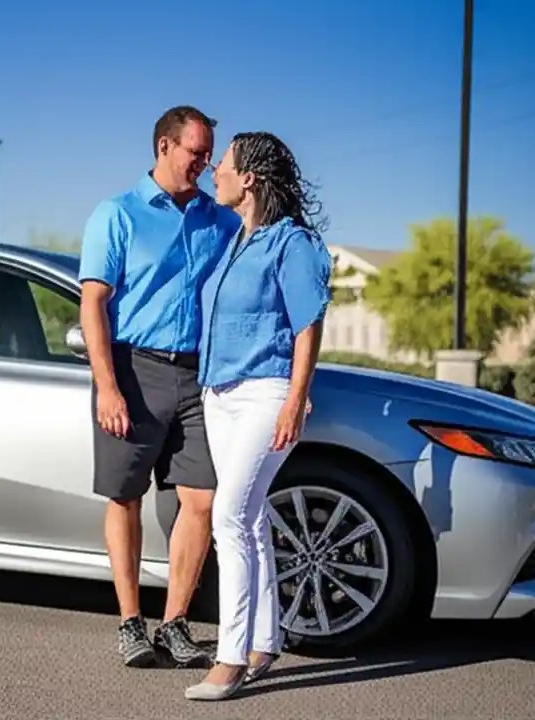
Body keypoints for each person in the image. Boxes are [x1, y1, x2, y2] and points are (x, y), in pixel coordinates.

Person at [78, 105, 242, 669]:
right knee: (125, 496)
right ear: (164, 146)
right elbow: (94, 303)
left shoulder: (218, 219)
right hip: (133, 367)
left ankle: (175, 625)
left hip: (199, 374)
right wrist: (108, 387)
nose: (204, 162)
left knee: (200, 497)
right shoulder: (117, 214)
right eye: (196, 151)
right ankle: (131, 623)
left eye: (208, 154)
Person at [183, 131, 333, 701]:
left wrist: (296, 397)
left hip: (266, 394)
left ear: (248, 178)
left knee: (228, 517)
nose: (214, 172)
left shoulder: (291, 244)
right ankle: (264, 640)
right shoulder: (237, 242)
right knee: (250, 518)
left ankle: (229, 659)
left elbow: (306, 325)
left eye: (222, 165)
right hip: (219, 394)